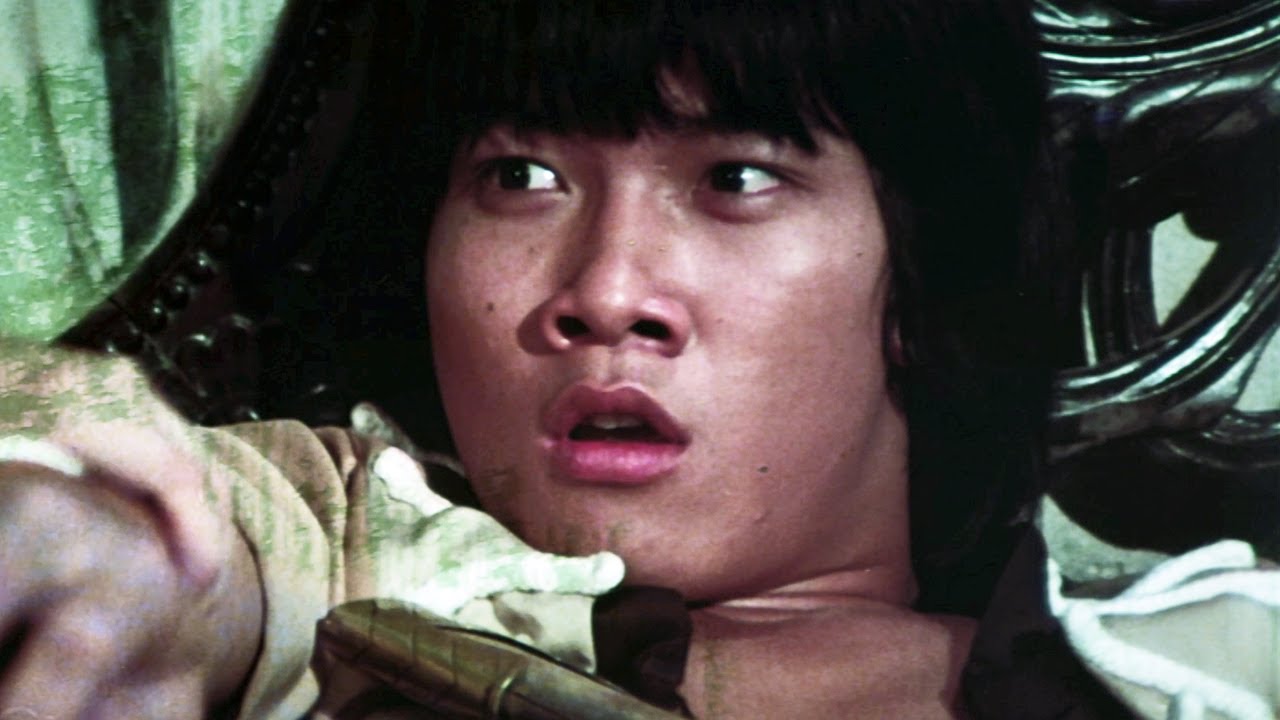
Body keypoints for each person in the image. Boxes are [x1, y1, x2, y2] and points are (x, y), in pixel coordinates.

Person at [11, 1, 1271, 719]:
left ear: (921, 274)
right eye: (520, 175)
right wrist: (80, 531)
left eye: (736, 179)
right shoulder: (352, 550)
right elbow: (193, 561)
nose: (605, 293)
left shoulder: (1192, 664)